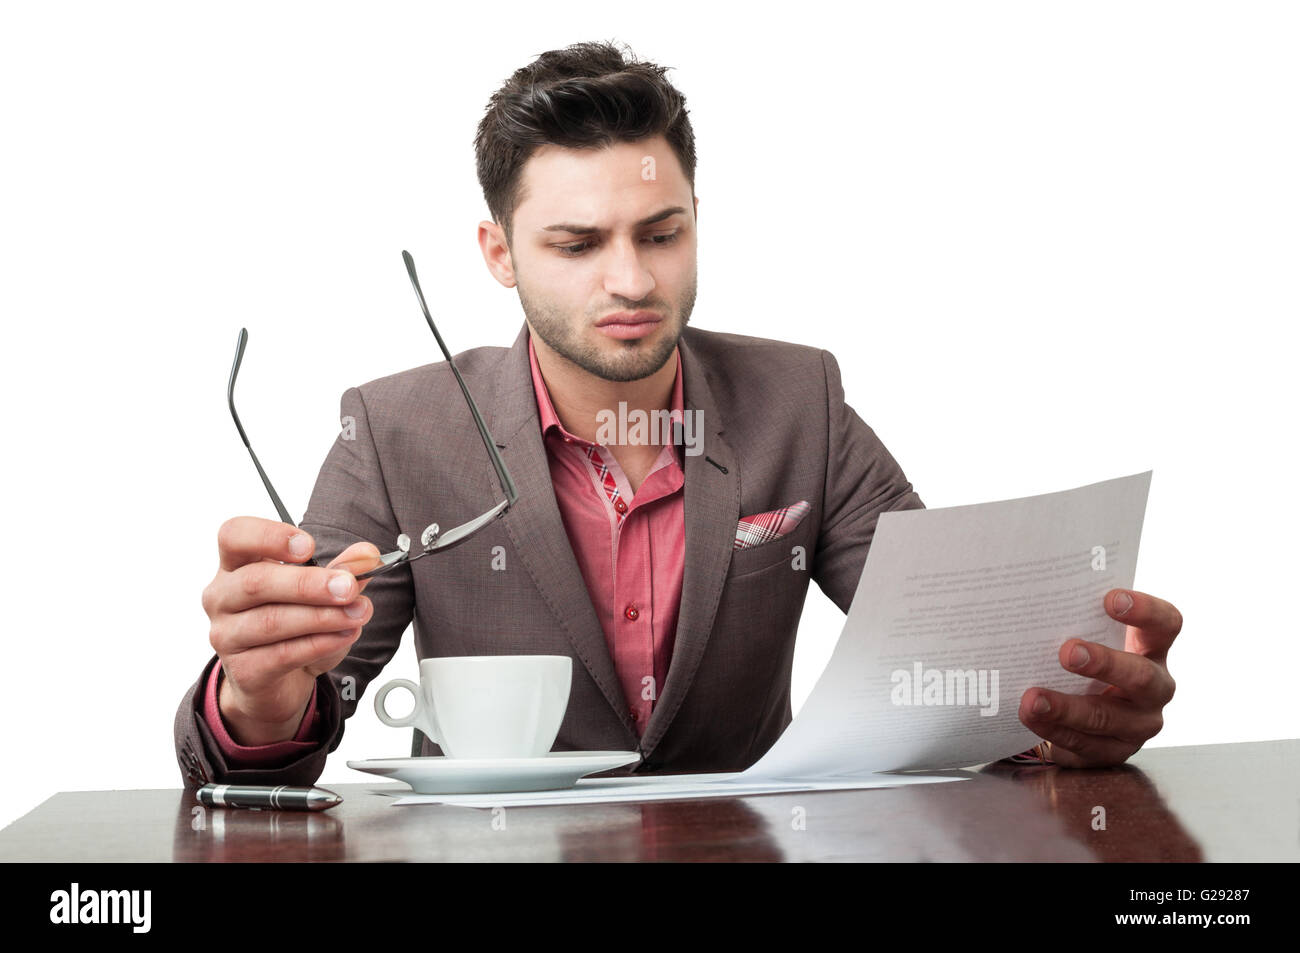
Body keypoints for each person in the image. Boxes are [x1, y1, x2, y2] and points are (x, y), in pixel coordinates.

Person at [176, 40, 1181, 787]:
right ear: (498, 253)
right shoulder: (396, 432)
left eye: (662, 233)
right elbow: (270, 755)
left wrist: (1066, 706)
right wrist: (260, 694)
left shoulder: (802, 402)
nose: (630, 280)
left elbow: (951, 659)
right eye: (576, 244)